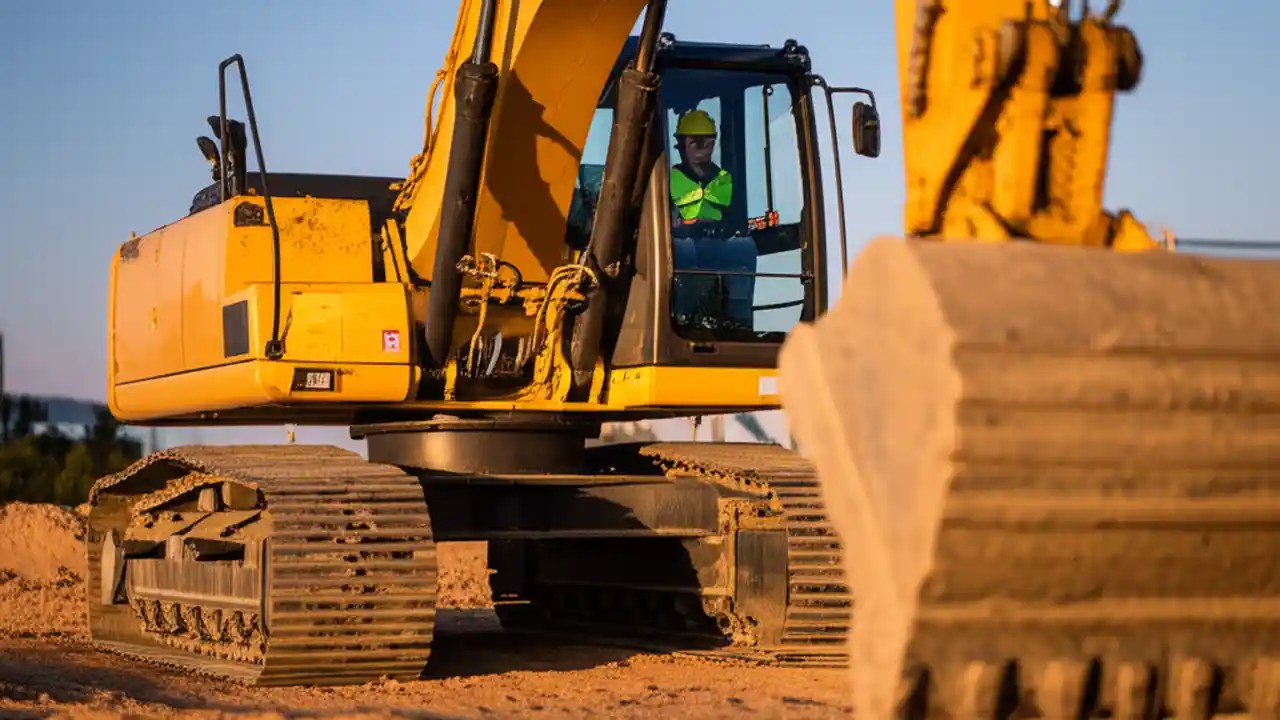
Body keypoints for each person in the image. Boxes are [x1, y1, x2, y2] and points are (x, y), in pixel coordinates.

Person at [669, 109, 757, 329]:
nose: (702, 149)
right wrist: (680, 227)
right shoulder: (667, 181)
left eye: (707, 142)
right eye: (695, 142)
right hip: (682, 255)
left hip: (718, 250)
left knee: (744, 249)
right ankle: (680, 319)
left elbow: (736, 220)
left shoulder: (724, 180)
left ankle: (738, 323)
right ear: (681, 146)